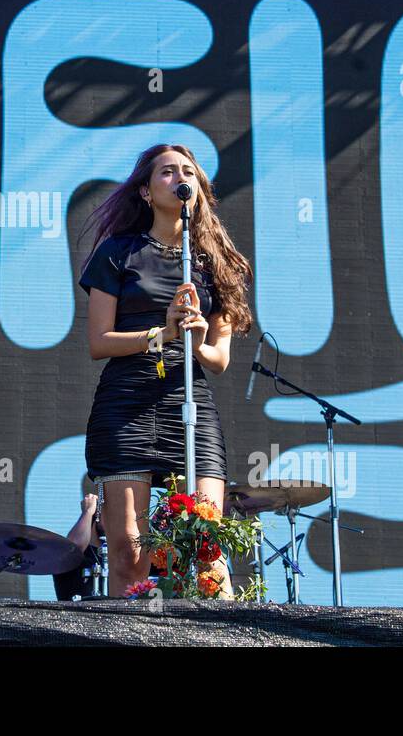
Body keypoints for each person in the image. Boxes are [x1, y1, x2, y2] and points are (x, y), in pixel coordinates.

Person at [77, 144, 254, 598]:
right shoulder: (117, 253)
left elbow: (219, 359)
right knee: (128, 554)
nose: (180, 178)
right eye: (168, 172)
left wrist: (194, 341)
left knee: (207, 547)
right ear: (145, 190)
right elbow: (99, 342)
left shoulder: (218, 265)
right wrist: (163, 334)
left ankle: (217, 631)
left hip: (188, 403)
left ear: (200, 189)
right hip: (126, 405)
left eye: (189, 172)